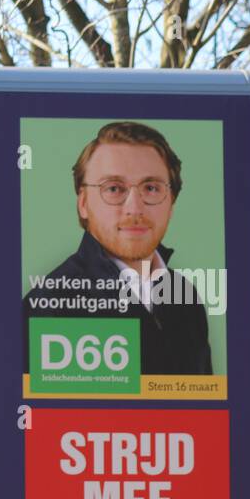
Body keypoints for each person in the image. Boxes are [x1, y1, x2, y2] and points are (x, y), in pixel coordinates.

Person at [22, 122, 212, 375]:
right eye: (113, 188)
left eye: (151, 188)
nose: (134, 208)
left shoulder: (185, 295)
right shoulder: (47, 308)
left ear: (172, 203)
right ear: (83, 203)